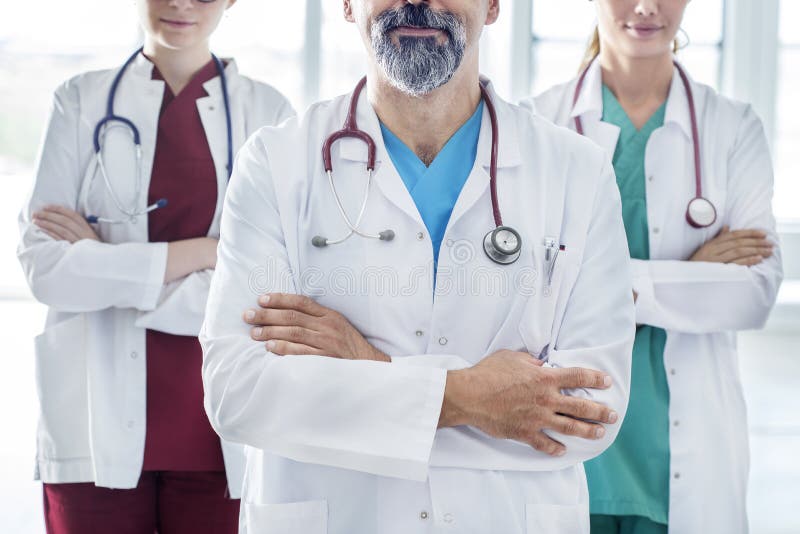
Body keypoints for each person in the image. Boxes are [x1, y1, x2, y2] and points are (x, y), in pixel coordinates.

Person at [200, 1, 635, 532]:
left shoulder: (576, 171)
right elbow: (240, 393)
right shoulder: (276, 162)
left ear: (494, 5)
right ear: (345, 5)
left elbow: (589, 414)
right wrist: (471, 398)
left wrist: (367, 368)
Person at [17, 0, 293, 532]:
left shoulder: (270, 113)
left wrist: (103, 265)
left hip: (220, 427)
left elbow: (270, 281)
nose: (181, 3)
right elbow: (47, 269)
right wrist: (206, 253)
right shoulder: (79, 102)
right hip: (90, 428)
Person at [522, 1, 783, 532]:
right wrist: (693, 271)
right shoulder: (534, 123)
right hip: (570, 442)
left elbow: (752, 292)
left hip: (684, 450)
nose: (646, 7)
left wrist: (598, 284)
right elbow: (521, 290)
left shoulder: (732, 127)